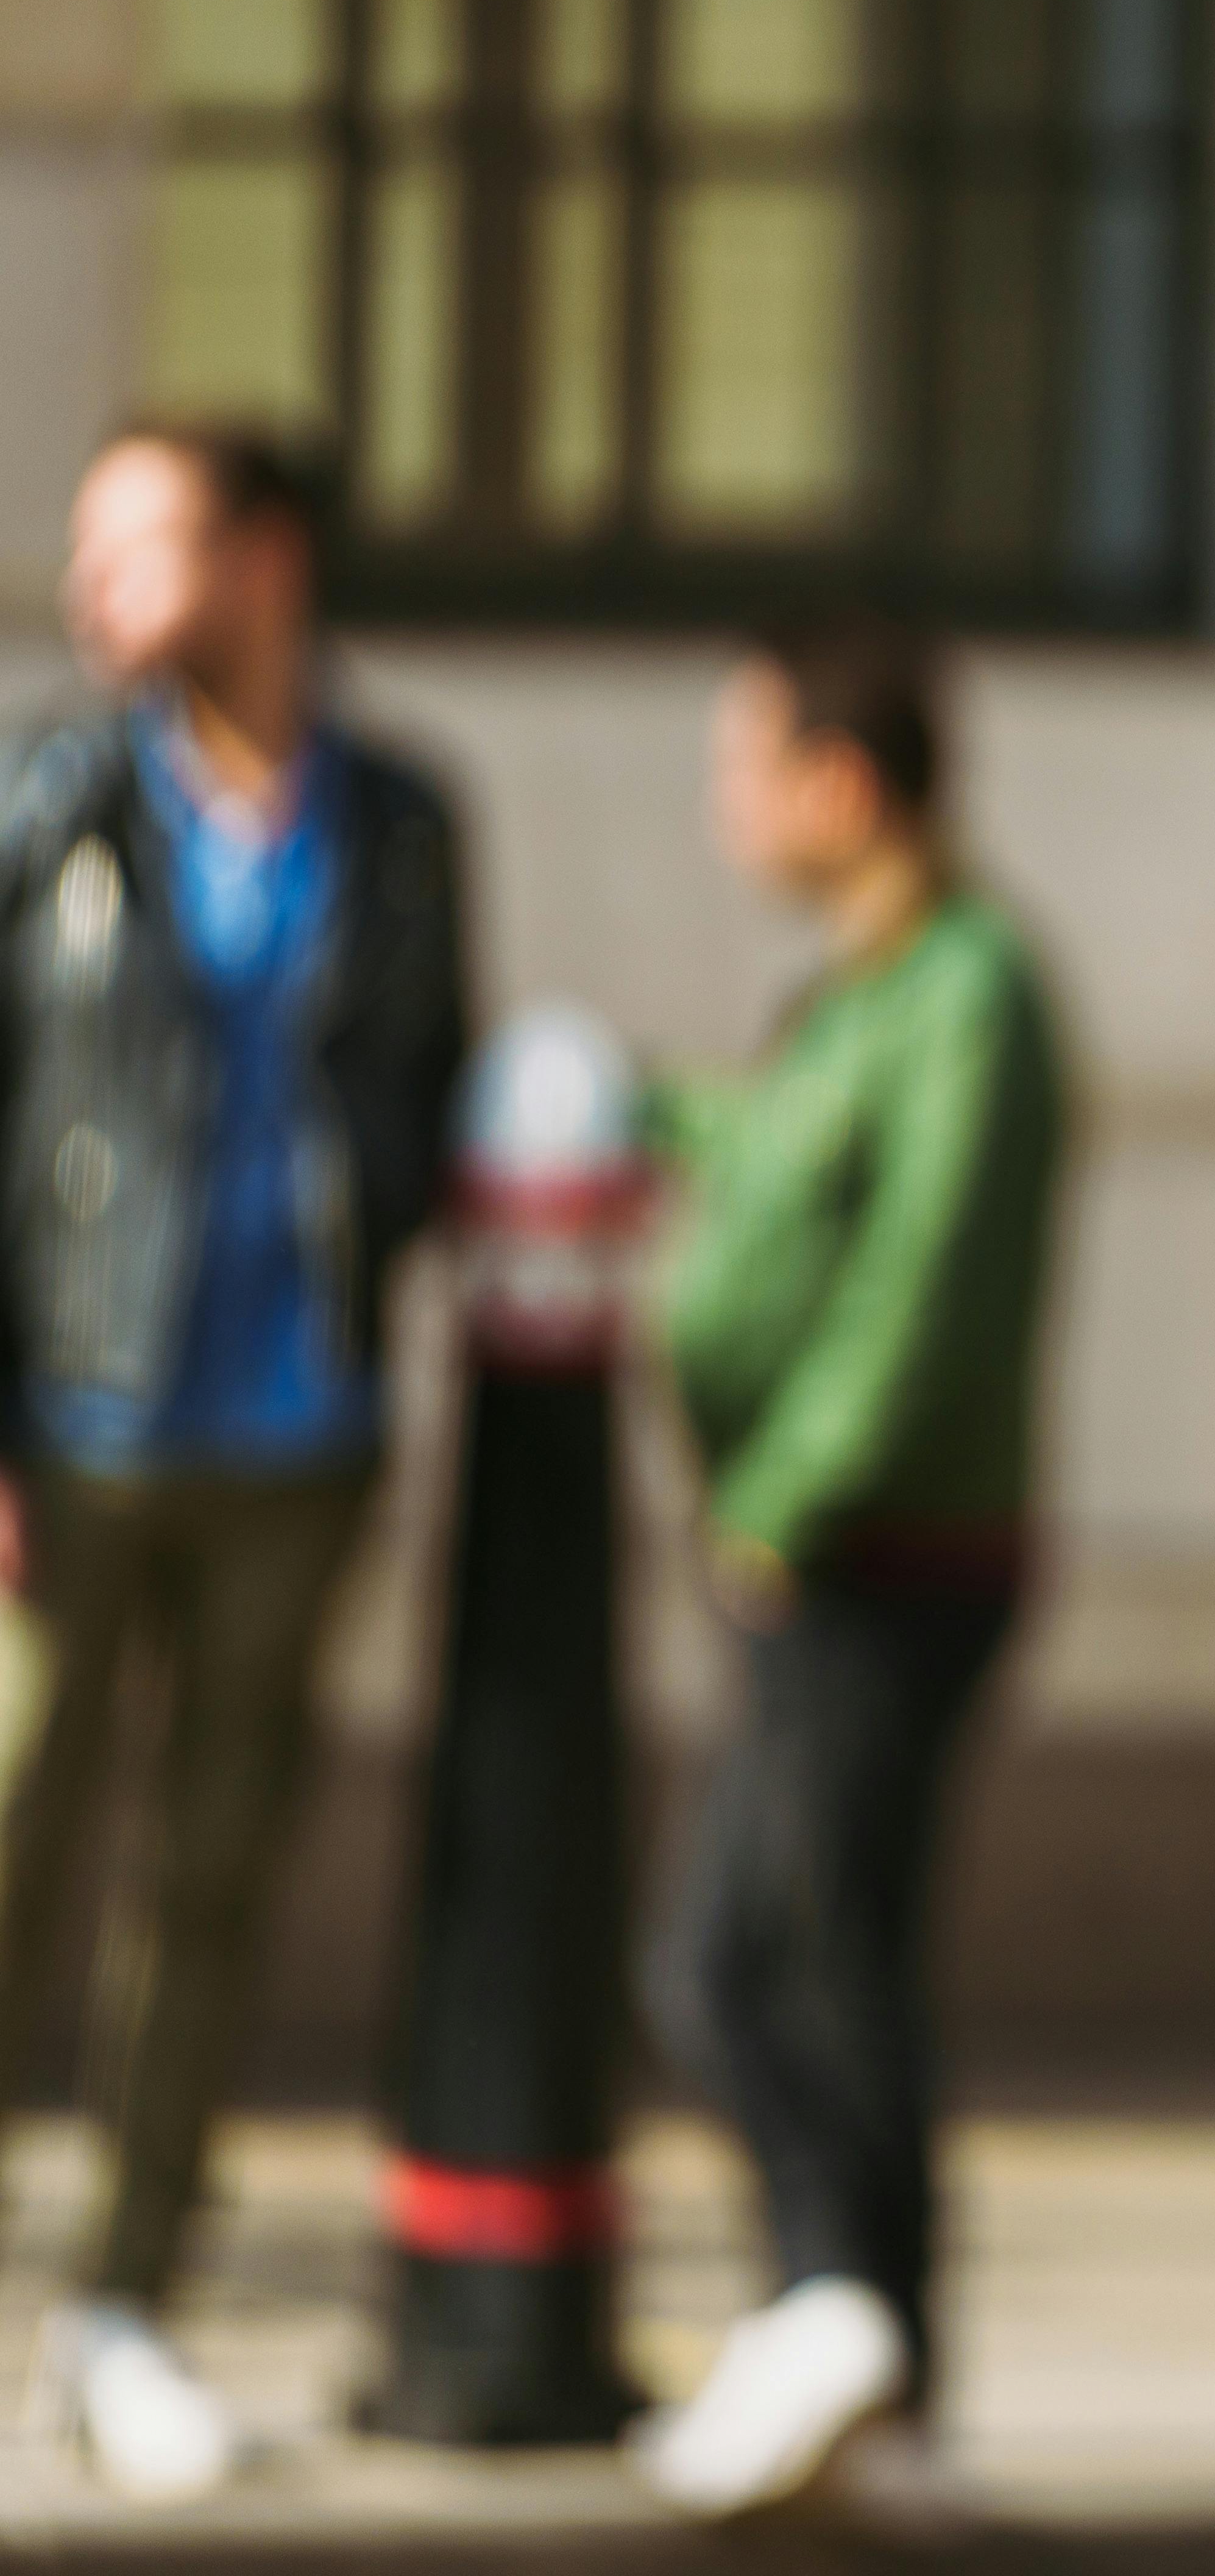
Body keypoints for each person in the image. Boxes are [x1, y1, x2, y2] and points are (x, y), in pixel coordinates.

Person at [0, 425, 469, 2497]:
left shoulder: (404, 819)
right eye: (87, 553)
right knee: (13, 1846)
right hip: (71, 1435)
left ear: (266, 559)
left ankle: (123, 2307)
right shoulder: (51, 799)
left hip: (299, 1430)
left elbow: (430, 1087)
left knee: (203, 1887)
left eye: (144, 544)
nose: (98, 588)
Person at [626, 617, 1068, 2520]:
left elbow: (923, 1293)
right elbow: (787, 1164)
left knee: (745, 1956)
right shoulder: (870, 992)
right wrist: (629, 1104)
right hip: (843, 1553)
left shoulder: (972, 990)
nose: (727, 809)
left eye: (747, 766)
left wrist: (779, 1495)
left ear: (843, 779)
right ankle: (886, 2390)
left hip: (889, 1559)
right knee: (835, 1957)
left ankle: (842, 2314)